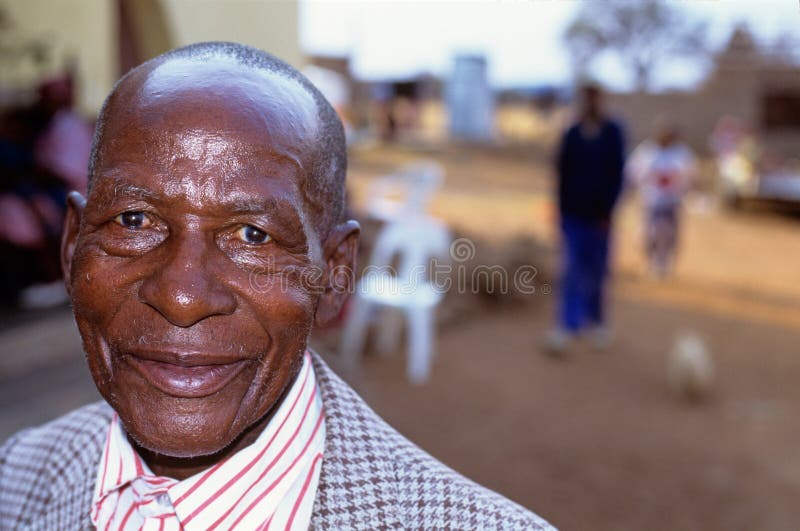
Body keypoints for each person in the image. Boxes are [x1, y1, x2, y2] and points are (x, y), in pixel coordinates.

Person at [0, 43, 554, 530]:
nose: (182, 295)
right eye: (133, 221)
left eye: (252, 234)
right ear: (72, 248)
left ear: (334, 274)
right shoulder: (15, 479)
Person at [546, 84, 625, 353]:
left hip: (600, 219)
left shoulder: (613, 133)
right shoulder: (571, 133)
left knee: (597, 271)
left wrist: (608, 211)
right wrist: (559, 211)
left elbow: (617, 176)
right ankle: (568, 323)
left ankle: (597, 321)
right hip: (573, 216)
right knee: (570, 269)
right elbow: (561, 173)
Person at [627, 119, 696, 278]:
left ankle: (665, 264)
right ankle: (650, 261)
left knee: (670, 235)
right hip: (652, 201)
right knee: (650, 234)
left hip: (672, 202)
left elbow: (691, 175)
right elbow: (633, 172)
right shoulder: (646, 152)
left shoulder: (682, 153)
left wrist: (682, 188)